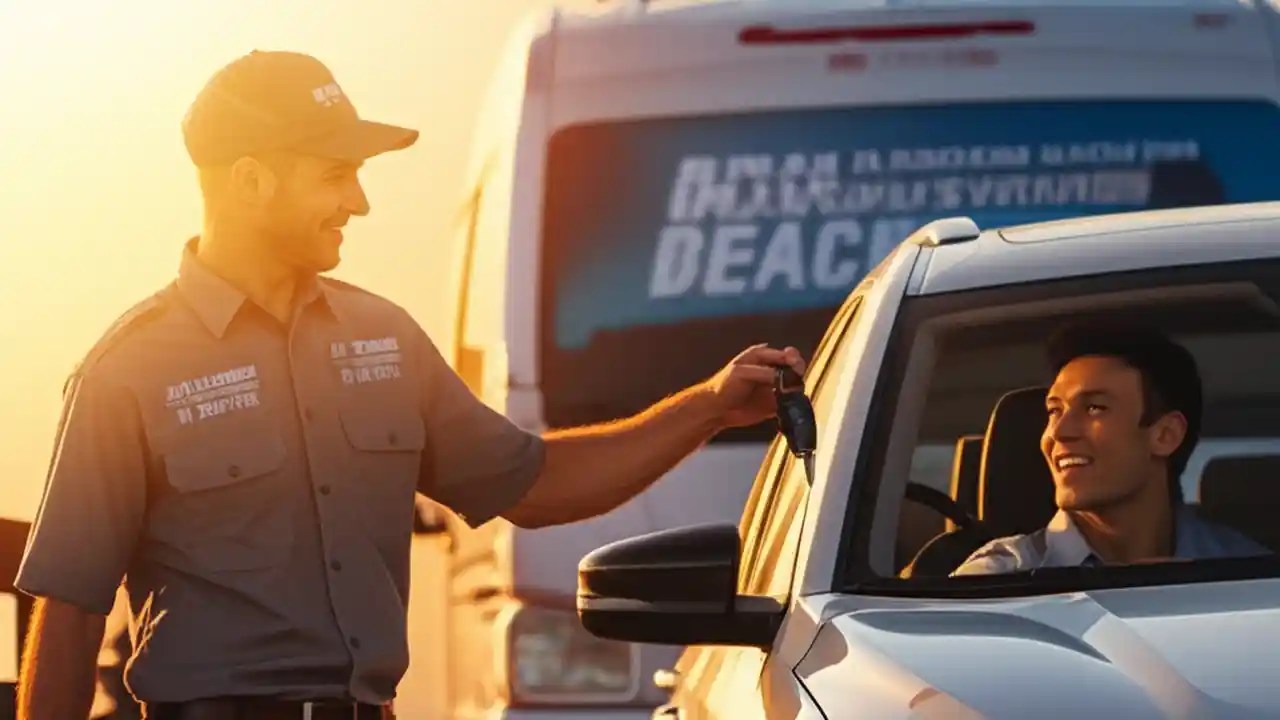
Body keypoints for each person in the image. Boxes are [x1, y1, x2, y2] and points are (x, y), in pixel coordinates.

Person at [13, 50, 808, 720]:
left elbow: (535, 484)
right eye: (334, 175)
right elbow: (72, 611)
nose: (358, 202)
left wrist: (704, 409)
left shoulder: (384, 338)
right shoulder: (127, 372)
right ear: (250, 181)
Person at [952, 322, 1267, 576]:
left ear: (1165, 435)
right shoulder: (993, 584)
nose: (1058, 432)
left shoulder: (1254, 574)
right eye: (1054, 410)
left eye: (1094, 408)